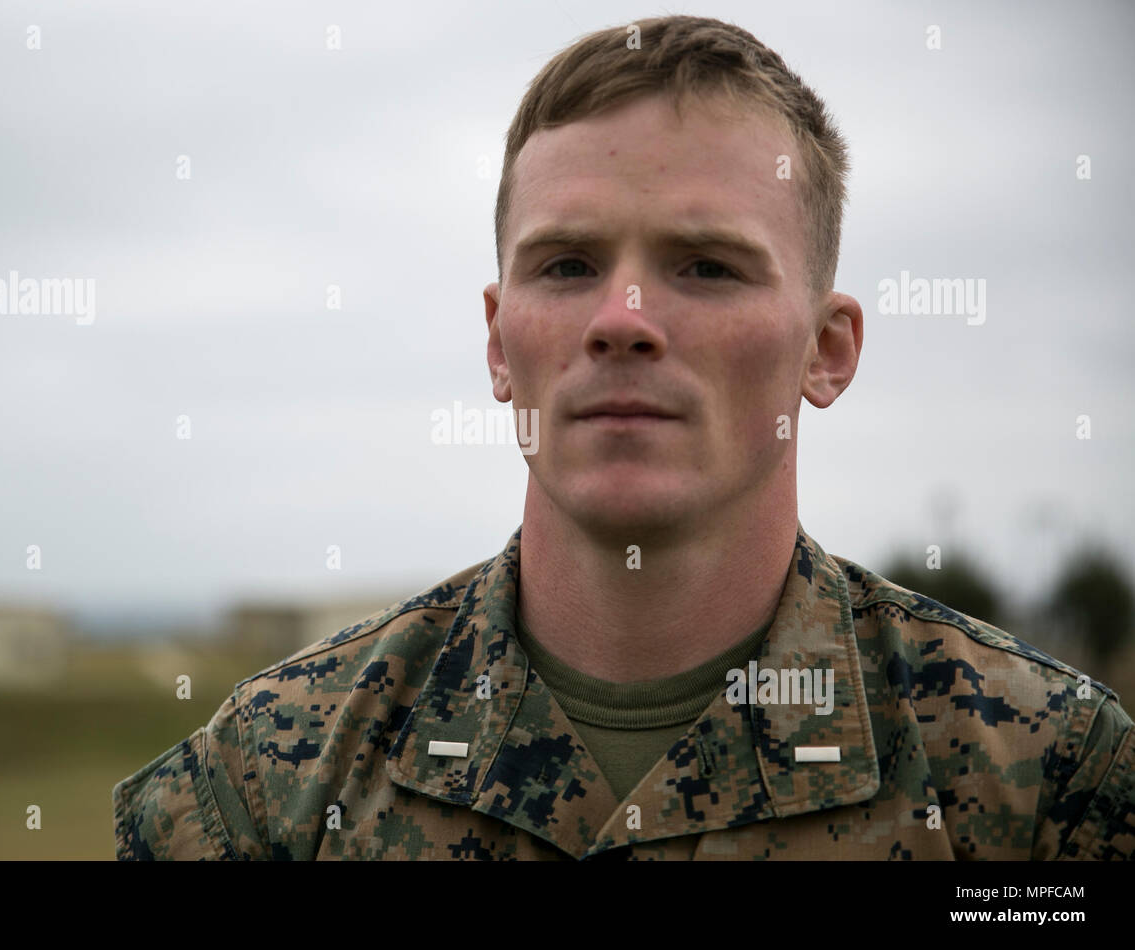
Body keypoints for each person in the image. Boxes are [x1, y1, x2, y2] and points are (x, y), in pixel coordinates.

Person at [113, 15, 1134, 860]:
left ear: (825, 350)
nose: (623, 317)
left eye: (704, 265)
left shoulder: (1040, 784)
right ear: (498, 342)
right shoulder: (270, 782)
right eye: (564, 265)